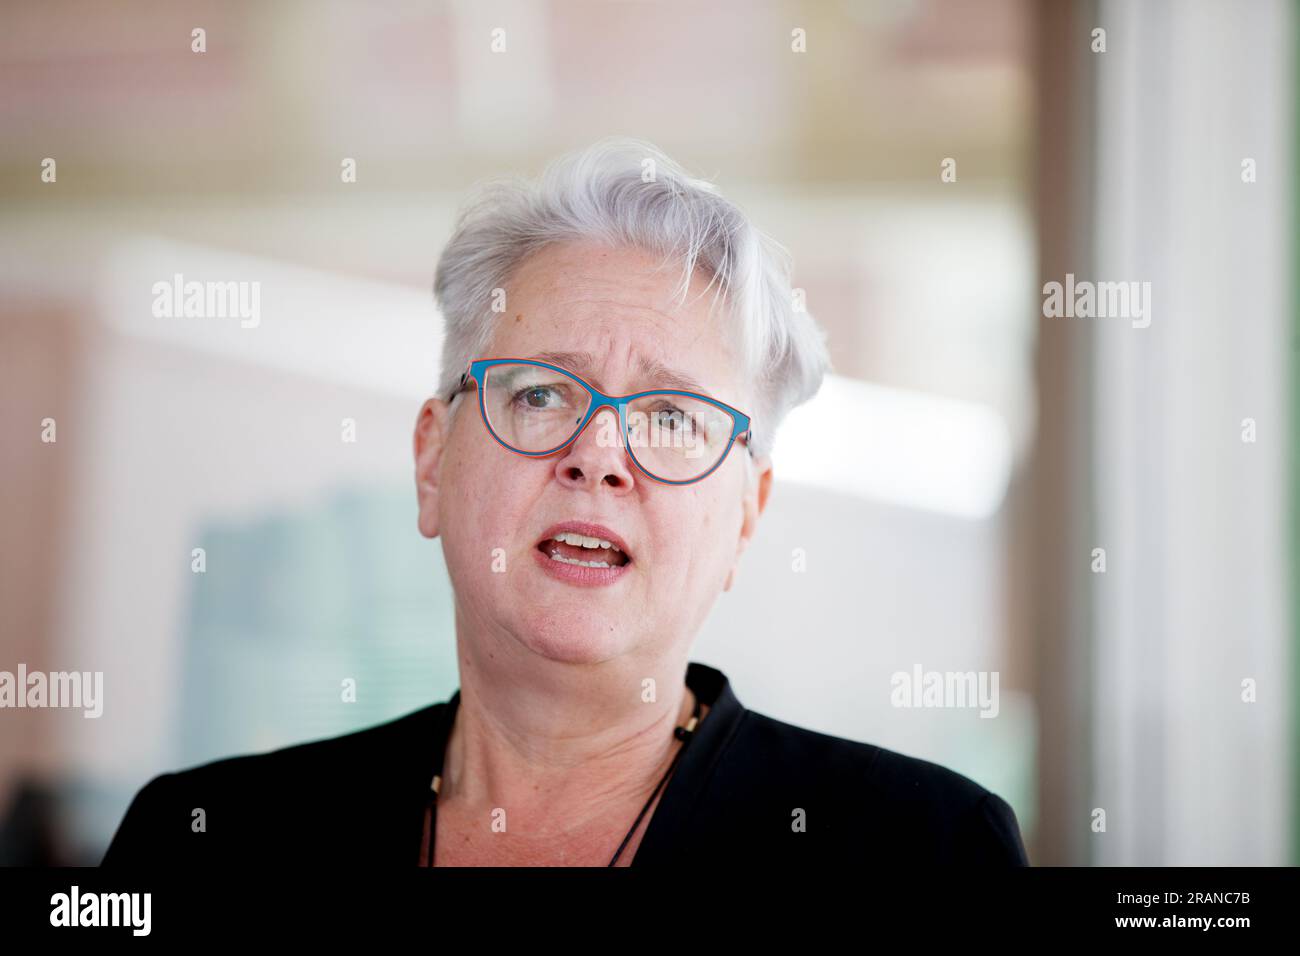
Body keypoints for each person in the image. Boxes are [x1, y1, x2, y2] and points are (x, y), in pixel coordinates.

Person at [102, 137, 1029, 867]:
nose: (599, 456)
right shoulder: (201, 839)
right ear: (432, 462)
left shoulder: (924, 849)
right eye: (541, 393)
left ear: (747, 516)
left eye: (671, 417)